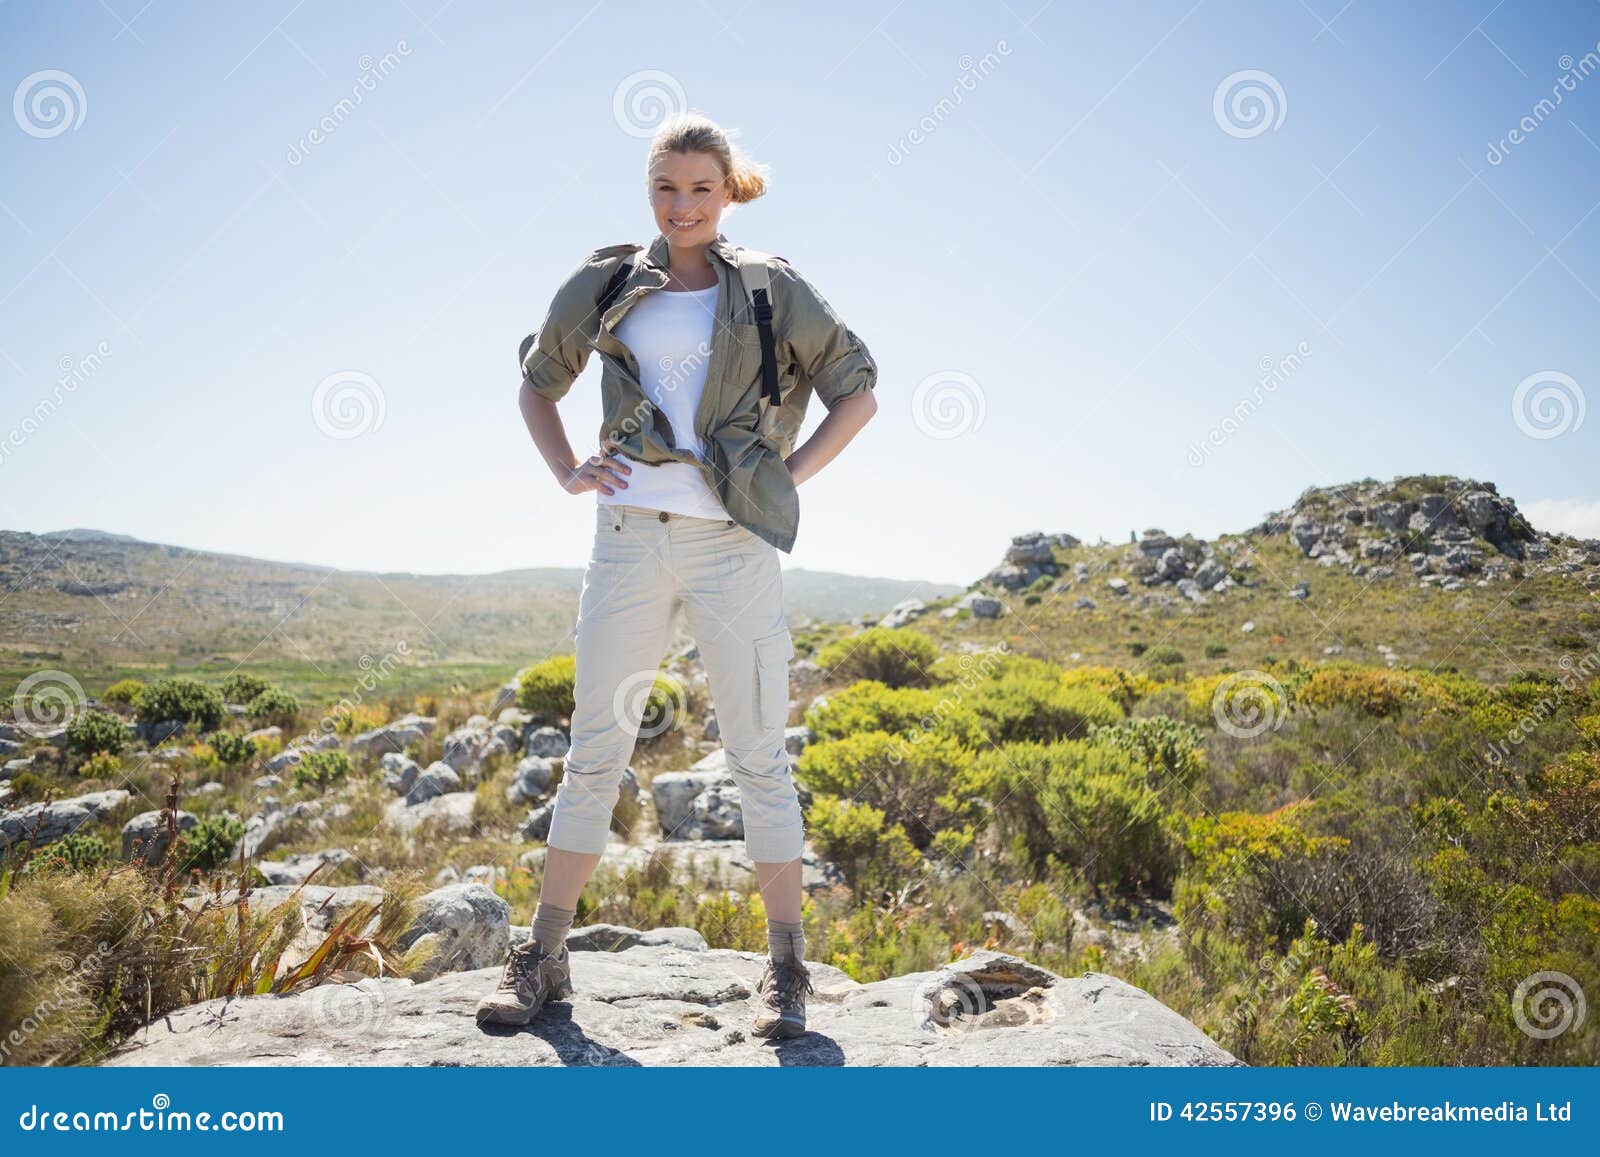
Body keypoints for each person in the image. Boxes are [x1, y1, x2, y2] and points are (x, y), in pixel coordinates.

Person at [478, 112, 879, 1040]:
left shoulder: (773, 287)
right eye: (667, 186)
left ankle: (785, 972)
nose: (683, 204)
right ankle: (543, 960)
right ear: (649, 191)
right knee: (594, 753)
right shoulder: (611, 280)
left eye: (702, 187)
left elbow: (857, 387)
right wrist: (566, 468)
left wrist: (784, 477)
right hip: (625, 536)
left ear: (729, 191)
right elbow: (540, 381)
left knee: (758, 758)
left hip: (732, 546)